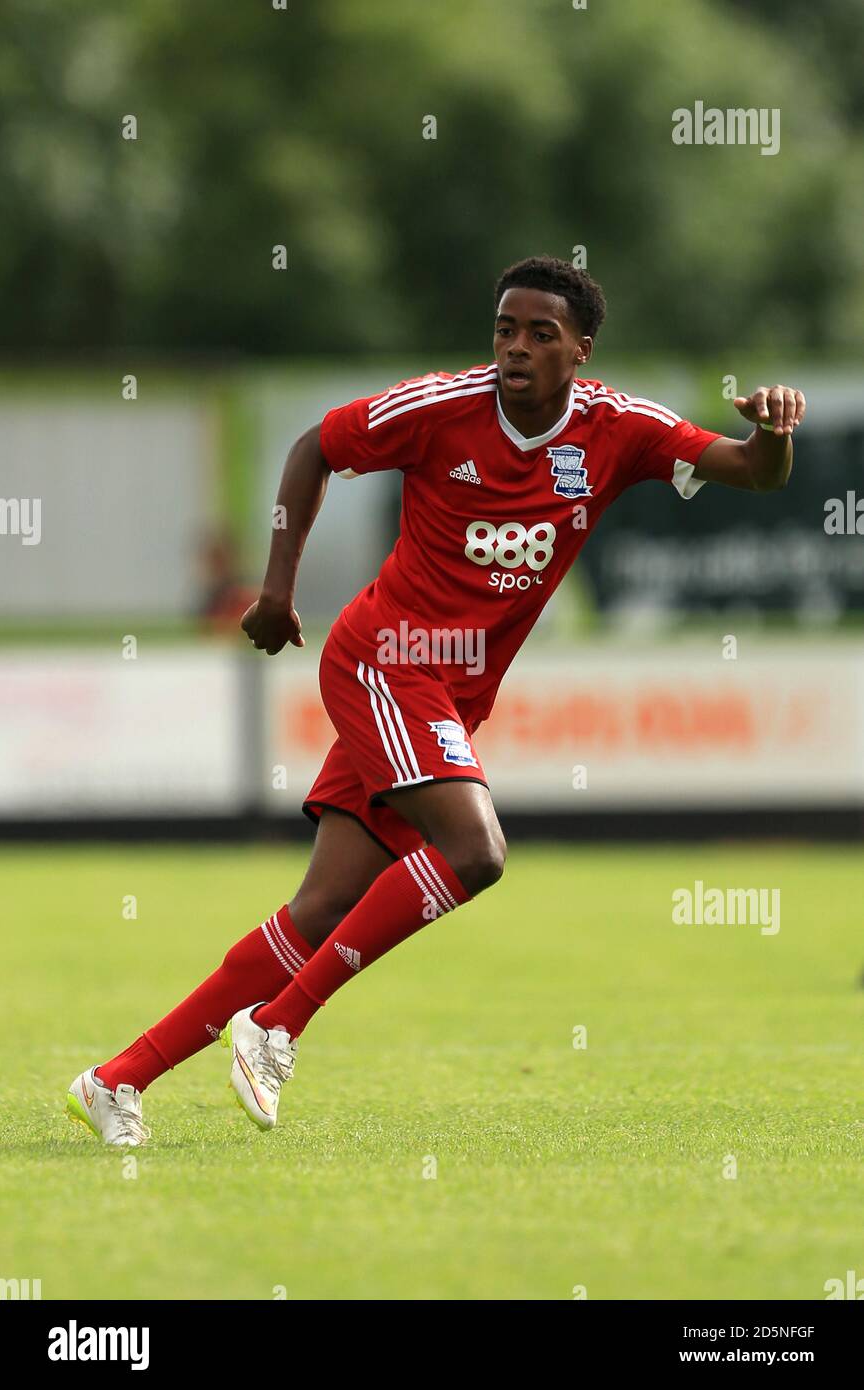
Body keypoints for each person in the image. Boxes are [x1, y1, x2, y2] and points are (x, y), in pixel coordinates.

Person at [66, 255, 806, 1145]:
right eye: (505, 329)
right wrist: (274, 592)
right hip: (385, 660)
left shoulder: (621, 429)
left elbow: (754, 474)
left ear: (581, 350)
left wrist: (774, 432)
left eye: (541, 333)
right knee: (477, 850)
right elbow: (315, 450)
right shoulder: (440, 408)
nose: (517, 347)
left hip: (451, 696)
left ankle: (117, 1079)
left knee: (323, 910)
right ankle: (278, 1025)